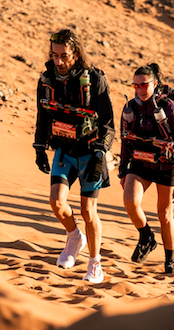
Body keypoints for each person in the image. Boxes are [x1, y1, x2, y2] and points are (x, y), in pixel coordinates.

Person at [34, 29, 114, 284]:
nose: (59, 61)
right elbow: (43, 115)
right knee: (57, 203)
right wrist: (39, 147)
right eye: (54, 55)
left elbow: (108, 122)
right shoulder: (47, 79)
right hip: (64, 150)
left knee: (89, 211)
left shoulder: (95, 79)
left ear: (76, 54)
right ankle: (74, 236)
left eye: (64, 56)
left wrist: (101, 154)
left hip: (91, 152)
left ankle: (94, 264)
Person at [119, 64, 174, 274]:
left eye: (144, 85)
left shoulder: (168, 108)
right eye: (136, 85)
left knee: (165, 214)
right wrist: (123, 170)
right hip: (140, 163)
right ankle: (146, 236)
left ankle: (170, 260)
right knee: (130, 201)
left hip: (167, 165)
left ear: (154, 84)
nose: (140, 89)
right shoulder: (130, 108)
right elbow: (125, 141)